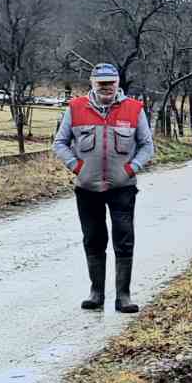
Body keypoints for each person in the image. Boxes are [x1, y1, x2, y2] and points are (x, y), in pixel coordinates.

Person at [52, 64, 154, 313]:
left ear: (118, 83)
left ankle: (123, 296)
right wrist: (77, 167)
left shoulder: (134, 109)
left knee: (124, 240)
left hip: (122, 188)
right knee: (93, 239)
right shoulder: (75, 108)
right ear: (92, 83)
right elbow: (60, 143)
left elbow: (147, 146)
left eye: (110, 82)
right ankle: (96, 293)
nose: (106, 87)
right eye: (101, 83)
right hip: (87, 189)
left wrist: (131, 169)